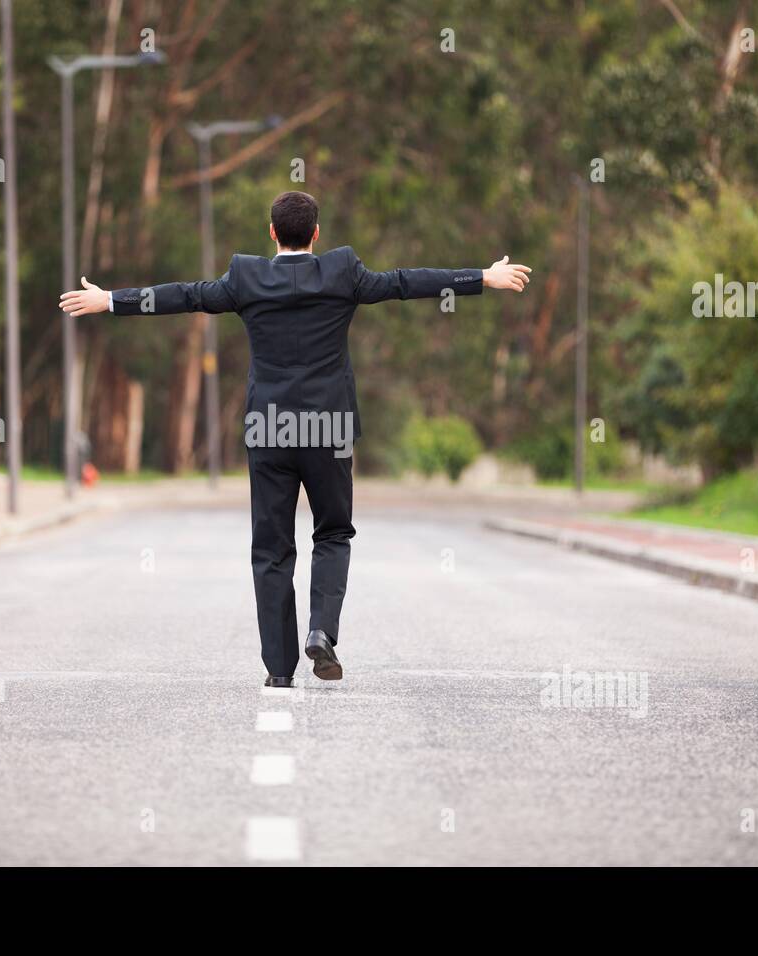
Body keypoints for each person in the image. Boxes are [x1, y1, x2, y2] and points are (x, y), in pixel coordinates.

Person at [60, 191, 531, 687]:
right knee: (332, 533)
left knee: (271, 548)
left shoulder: (246, 277)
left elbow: (186, 294)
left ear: (271, 233)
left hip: (270, 429)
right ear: (316, 234)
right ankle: (322, 631)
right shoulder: (342, 271)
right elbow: (403, 282)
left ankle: (279, 671)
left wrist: (110, 300)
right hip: (329, 429)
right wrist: (481, 276)